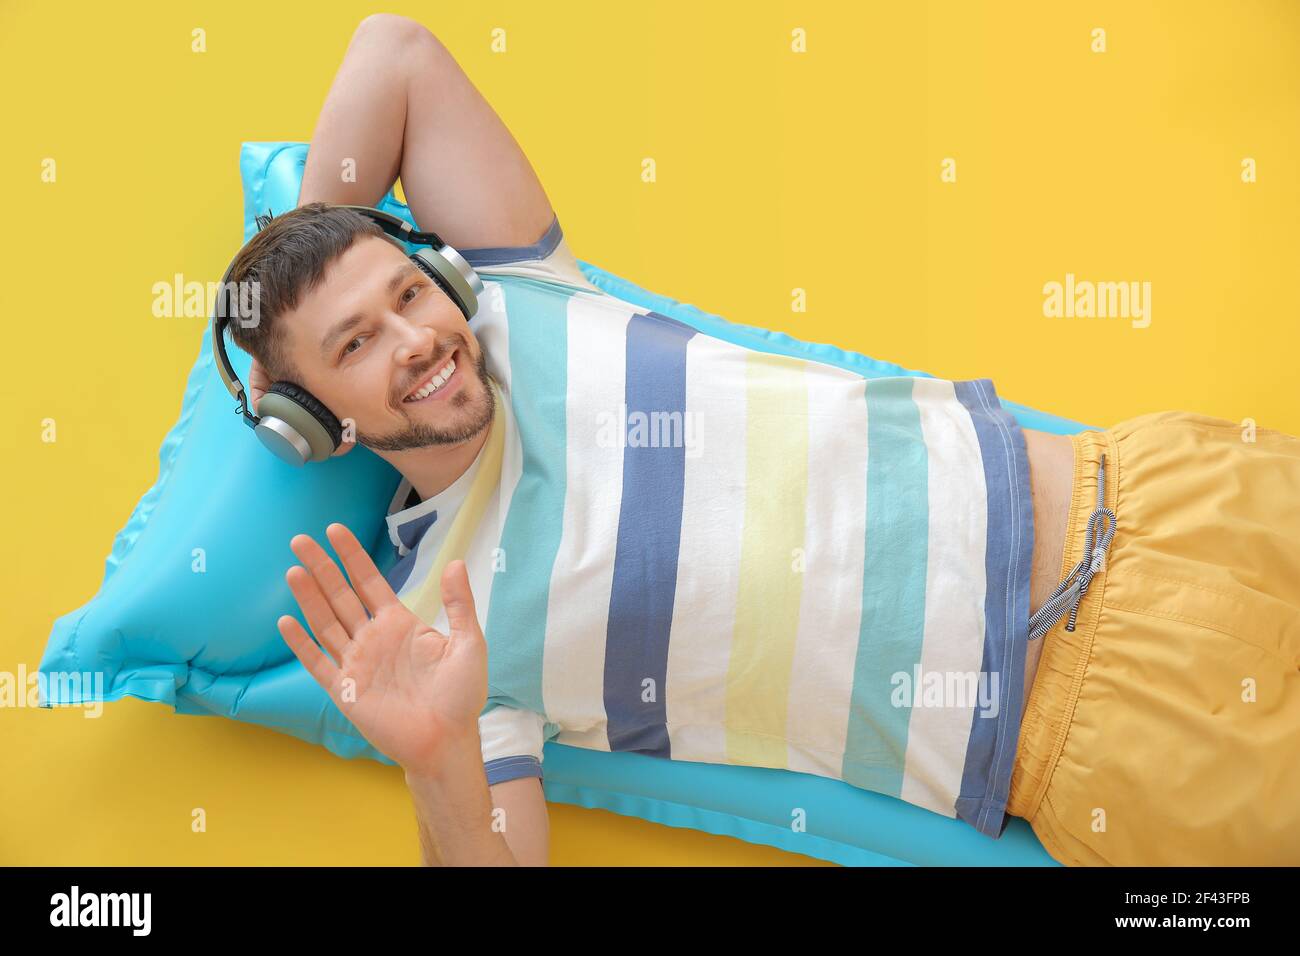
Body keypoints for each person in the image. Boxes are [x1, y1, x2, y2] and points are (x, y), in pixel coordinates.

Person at [236, 15, 1300, 866]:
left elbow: (395, 49)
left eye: (411, 292)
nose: (420, 338)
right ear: (308, 420)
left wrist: (301, 255)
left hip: (1165, 493)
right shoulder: (445, 635)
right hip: (1105, 735)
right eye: (358, 341)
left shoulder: (523, 294)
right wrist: (434, 761)